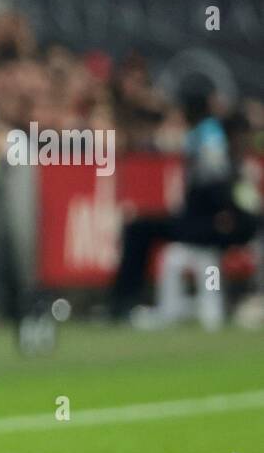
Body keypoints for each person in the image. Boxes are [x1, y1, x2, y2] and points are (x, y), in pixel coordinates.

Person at [110, 94, 259, 319]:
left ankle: (124, 302)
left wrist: (233, 214)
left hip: (213, 228)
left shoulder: (219, 150)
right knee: (146, 232)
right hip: (208, 226)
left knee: (140, 229)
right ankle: (131, 303)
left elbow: (234, 198)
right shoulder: (219, 151)